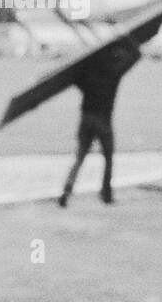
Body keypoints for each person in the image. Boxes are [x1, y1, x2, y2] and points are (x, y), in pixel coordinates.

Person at [59, 39, 141, 207]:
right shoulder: (113, 72)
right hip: (103, 121)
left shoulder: (86, 73)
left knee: (80, 157)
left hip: (86, 119)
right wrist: (127, 39)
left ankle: (67, 190)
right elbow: (135, 56)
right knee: (108, 159)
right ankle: (106, 194)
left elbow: (71, 77)